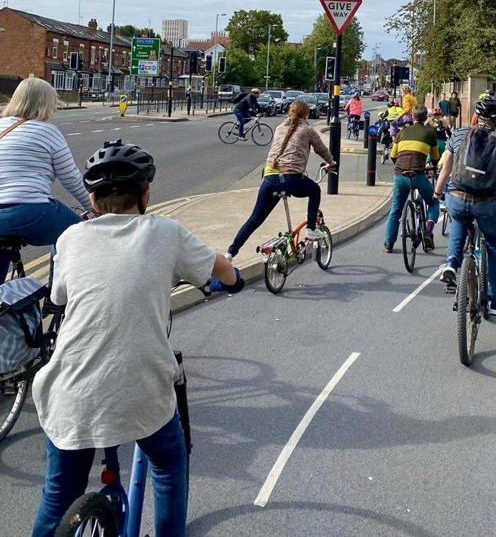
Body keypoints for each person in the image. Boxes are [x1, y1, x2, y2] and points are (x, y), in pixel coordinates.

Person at [31, 140, 243, 537]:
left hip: (70, 395)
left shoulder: (70, 239)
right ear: (146, 195)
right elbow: (224, 269)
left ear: (92, 201)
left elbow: (59, 295)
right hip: (140, 393)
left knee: (59, 496)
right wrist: (231, 281)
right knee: (168, 465)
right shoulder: (166, 232)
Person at [434, 96, 496, 316]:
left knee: (458, 218)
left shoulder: (458, 135)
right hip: (485, 202)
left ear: (476, 117)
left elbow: (445, 171)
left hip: (457, 197)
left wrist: (438, 194)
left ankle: (451, 265)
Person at [0, 77, 91, 282]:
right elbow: (71, 179)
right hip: (31, 210)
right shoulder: (47, 131)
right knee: (77, 236)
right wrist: (95, 207)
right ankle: (55, 295)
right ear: (44, 105)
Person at [226, 101, 336, 259]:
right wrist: (331, 163)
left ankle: (230, 253)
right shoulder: (307, 130)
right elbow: (322, 149)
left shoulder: (279, 128)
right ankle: (311, 229)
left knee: (255, 218)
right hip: (292, 179)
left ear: (289, 112)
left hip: (270, 177)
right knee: (315, 190)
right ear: (306, 114)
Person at [383, 105, 440, 253]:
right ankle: (427, 231)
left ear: (413, 117)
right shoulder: (430, 132)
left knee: (396, 209)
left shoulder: (403, 132)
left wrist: (400, 168)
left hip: (400, 174)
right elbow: (434, 157)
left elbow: (393, 155)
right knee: (433, 202)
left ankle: (389, 243)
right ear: (425, 118)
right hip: (418, 174)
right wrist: (433, 167)